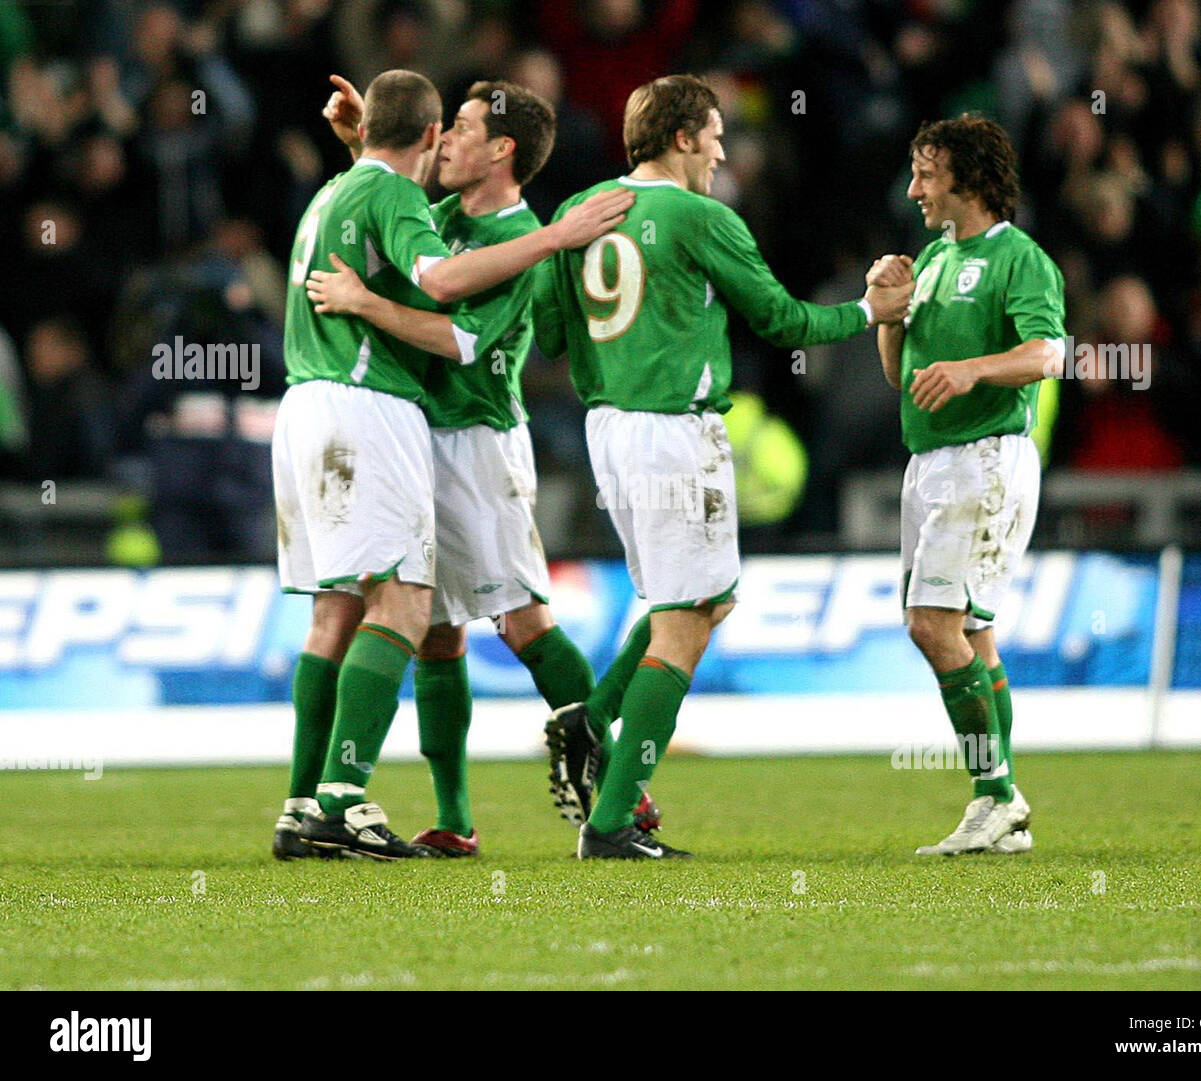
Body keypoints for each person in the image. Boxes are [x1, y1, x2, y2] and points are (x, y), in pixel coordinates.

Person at [533, 74, 914, 859]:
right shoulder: (702, 216)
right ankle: (610, 821)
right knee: (685, 622)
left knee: (702, 601)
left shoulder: (577, 212)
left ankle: (592, 716)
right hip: (675, 429)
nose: (720, 150)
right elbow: (781, 319)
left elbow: (547, 332)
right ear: (680, 137)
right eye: (713, 134)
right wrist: (870, 313)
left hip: (609, 428)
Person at [273, 69, 633, 860]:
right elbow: (388, 197)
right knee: (433, 629)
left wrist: (367, 304)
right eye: (448, 127)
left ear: (499, 149)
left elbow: (460, 339)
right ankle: (454, 816)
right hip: (399, 430)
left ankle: (622, 787)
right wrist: (374, 137)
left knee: (519, 618)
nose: (450, 142)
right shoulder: (437, 212)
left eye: (464, 129)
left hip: (474, 439)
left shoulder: (517, 241)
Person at [871, 112, 1066, 855]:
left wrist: (973, 369)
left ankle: (996, 794)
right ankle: (1001, 810)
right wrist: (887, 313)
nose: (914, 188)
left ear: (969, 179)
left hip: (985, 458)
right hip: (930, 462)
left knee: (934, 625)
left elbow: (1047, 355)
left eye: (927, 173)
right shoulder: (932, 259)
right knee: (973, 632)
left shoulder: (1019, 258)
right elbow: (900, 378)